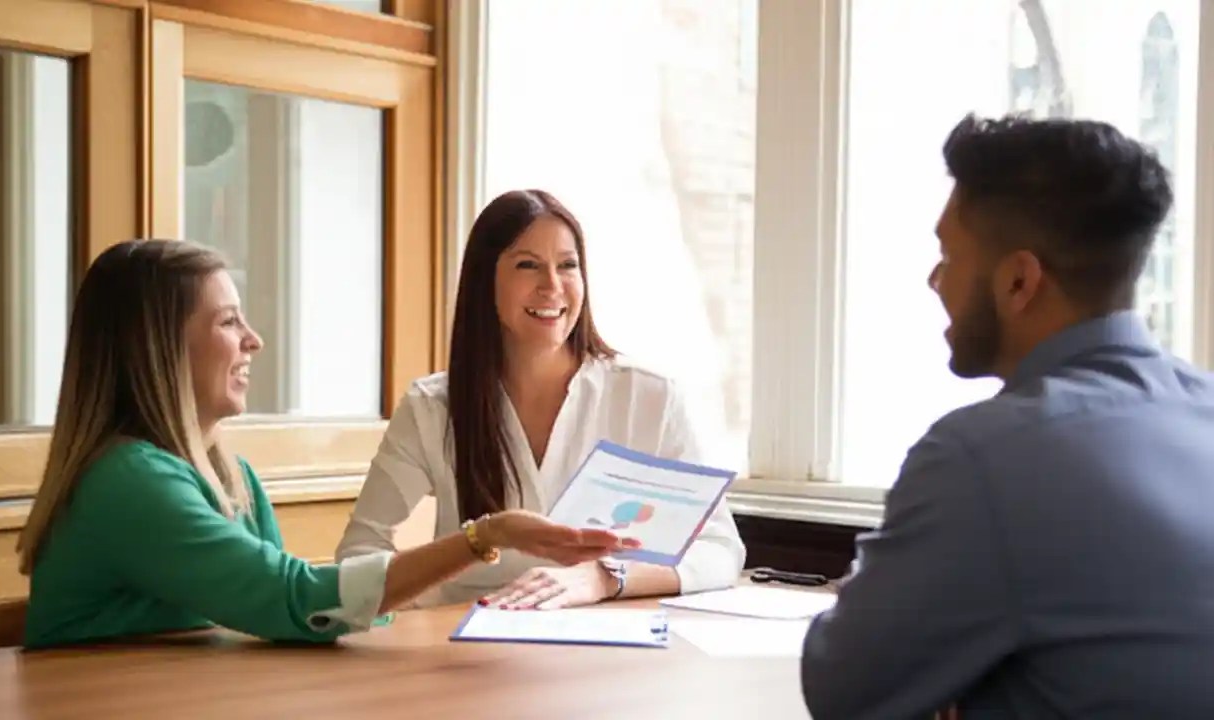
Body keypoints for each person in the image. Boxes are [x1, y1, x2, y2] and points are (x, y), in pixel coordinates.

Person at [17, 239, 634, 649]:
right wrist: (484, 537)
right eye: (228, 321)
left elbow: (290, 620)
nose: (253, 339)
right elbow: (296, 603)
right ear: (158, 346)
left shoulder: (230, 478)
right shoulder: (130, 480)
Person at [800, 114, 1214, 719]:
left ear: (1019, 280)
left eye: (948, 255)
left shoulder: (983, 457)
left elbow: (842, 691)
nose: (934, 281)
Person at [335, 189, 745, 609]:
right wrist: (432, 603)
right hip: (469, 647)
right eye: (527, 265)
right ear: (484, 281)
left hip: (604, 642)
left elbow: (720, 549)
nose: (552, 286)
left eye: (568, 265)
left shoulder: (648, 397)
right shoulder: (431, 407)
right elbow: (358, 555)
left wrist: (604, 577)